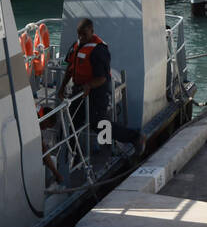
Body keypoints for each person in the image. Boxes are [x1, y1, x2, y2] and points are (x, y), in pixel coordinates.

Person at [57, 18, 144, 160]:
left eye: (84, 34)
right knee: (71, 122)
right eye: (79, 34)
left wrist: (88, 86)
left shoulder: (99, 50)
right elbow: (70, 69)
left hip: (96, 93)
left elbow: (102, 78)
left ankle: (135, 138)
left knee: (99, 124)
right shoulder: (76, 46)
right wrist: (62, 88)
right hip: (78, 92)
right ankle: (71, 156)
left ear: (92, 32)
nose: (81, 37)